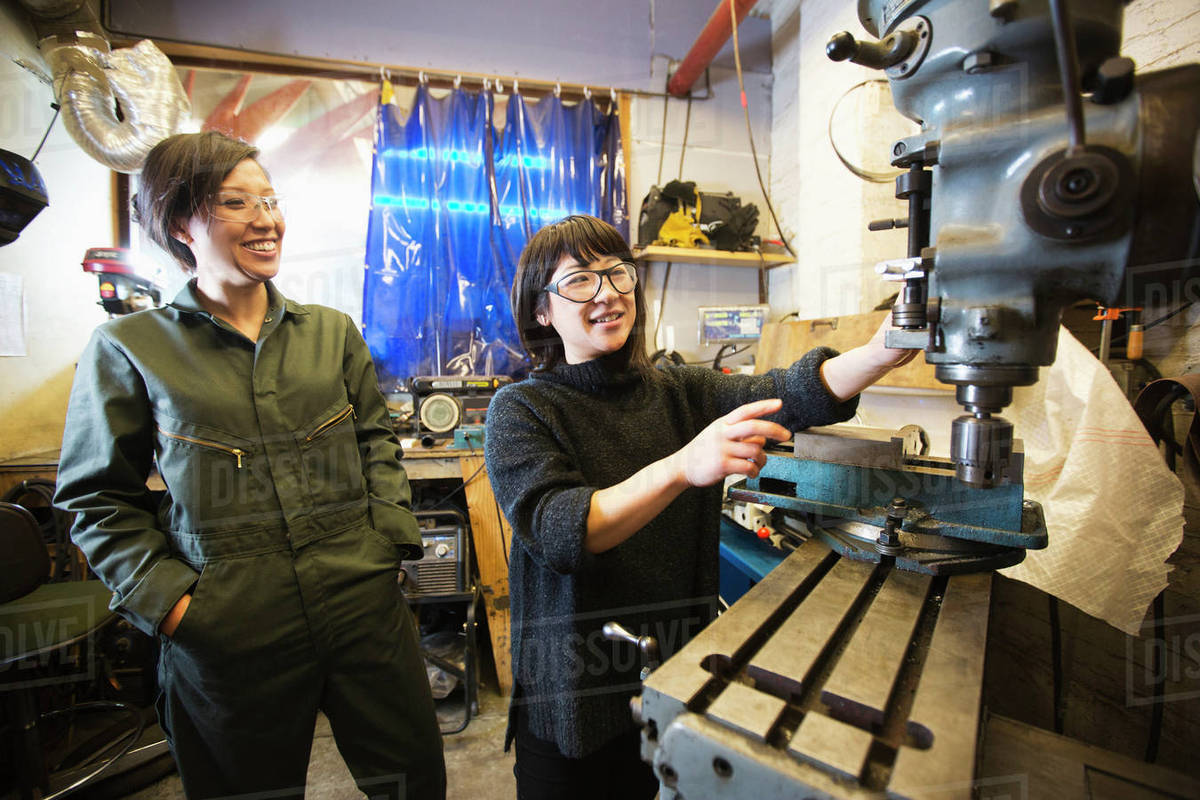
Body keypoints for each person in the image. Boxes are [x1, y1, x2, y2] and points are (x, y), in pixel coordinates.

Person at [54, 131, 446, 800]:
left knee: (412, 782)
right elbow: (96, 498)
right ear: (181, 224)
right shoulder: (130, 347)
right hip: (228, 626)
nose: (266, 219)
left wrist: (387, 547)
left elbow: (376, 441)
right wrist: (175, 609)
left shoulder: (331, 333)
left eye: (270, 199)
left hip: (362, 606)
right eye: (236, 203)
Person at [483, 214, 917, 799]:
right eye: (580, 280)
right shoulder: (521, 410)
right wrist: (684, 466)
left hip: (674, 678)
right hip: (572, 700)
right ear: (541, 310)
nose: (607, 293)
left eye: (617, 273)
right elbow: (565, 530)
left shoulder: (679, 390)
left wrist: (880, 352)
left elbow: (785, 394)